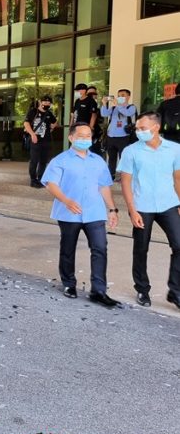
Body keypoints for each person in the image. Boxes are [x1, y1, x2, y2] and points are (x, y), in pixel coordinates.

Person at [41, 122, 120, 307]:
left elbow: (104, 186)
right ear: (71, 138)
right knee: (68, 249)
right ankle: (69, 284)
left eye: (88, 136)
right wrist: (66, 200)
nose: (85, 139)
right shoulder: (60, 160)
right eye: (81, 136)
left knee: (100, 249)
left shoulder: (98, 161)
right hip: (69, 213)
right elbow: (51, 183)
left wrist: (112, 209)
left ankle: (99, 291)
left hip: (95, 212)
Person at [117, 111, 180, 309]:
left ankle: (175, 291)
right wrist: (132, 210)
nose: (138, 131)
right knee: (141, 248)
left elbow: (177, 178)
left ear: (156, 128)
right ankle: (142, 289)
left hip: (168, 204)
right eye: (137, 128)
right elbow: (125, 183)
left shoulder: (175, 149)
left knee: (179, 245)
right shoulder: (131, 151)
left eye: (142, 128)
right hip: (141, 206)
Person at [101, 89, 137, 180]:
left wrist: (118, 104)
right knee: (111, 158)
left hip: (124, 137)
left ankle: (124, 177)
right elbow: (104, 113)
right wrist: (104, 103)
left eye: (123, 95)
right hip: (111, 136)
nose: (120, 97)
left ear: (128, 97)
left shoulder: (131, 107)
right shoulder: (114, 108)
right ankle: (111, 175)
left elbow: (127, 113)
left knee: (123, 158)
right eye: (119, 95)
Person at [24, 95, 58, 188]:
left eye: (49, 102)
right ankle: (33, 180)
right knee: (34, 160)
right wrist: (32, 134)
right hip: (35, 140)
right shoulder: (33, 112)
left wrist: (52, 127)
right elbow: (26, 123)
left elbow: (55, 121)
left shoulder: (49, 113)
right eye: (45, 102)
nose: (47, 104)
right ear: (40, 102)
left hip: (46, 140)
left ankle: (40, 178)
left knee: (43, 161)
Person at [71, 83, 99, 154]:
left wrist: (90, 128)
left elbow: (94, 115)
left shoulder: (90, 101)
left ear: (84, 91)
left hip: (86, 128)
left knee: (86, 148)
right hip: (77, 128)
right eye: (76, 91)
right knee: (76, 147)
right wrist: (71, 125)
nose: (76, 92)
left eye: (78, 90)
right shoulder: (77, 101)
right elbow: (74, 114)